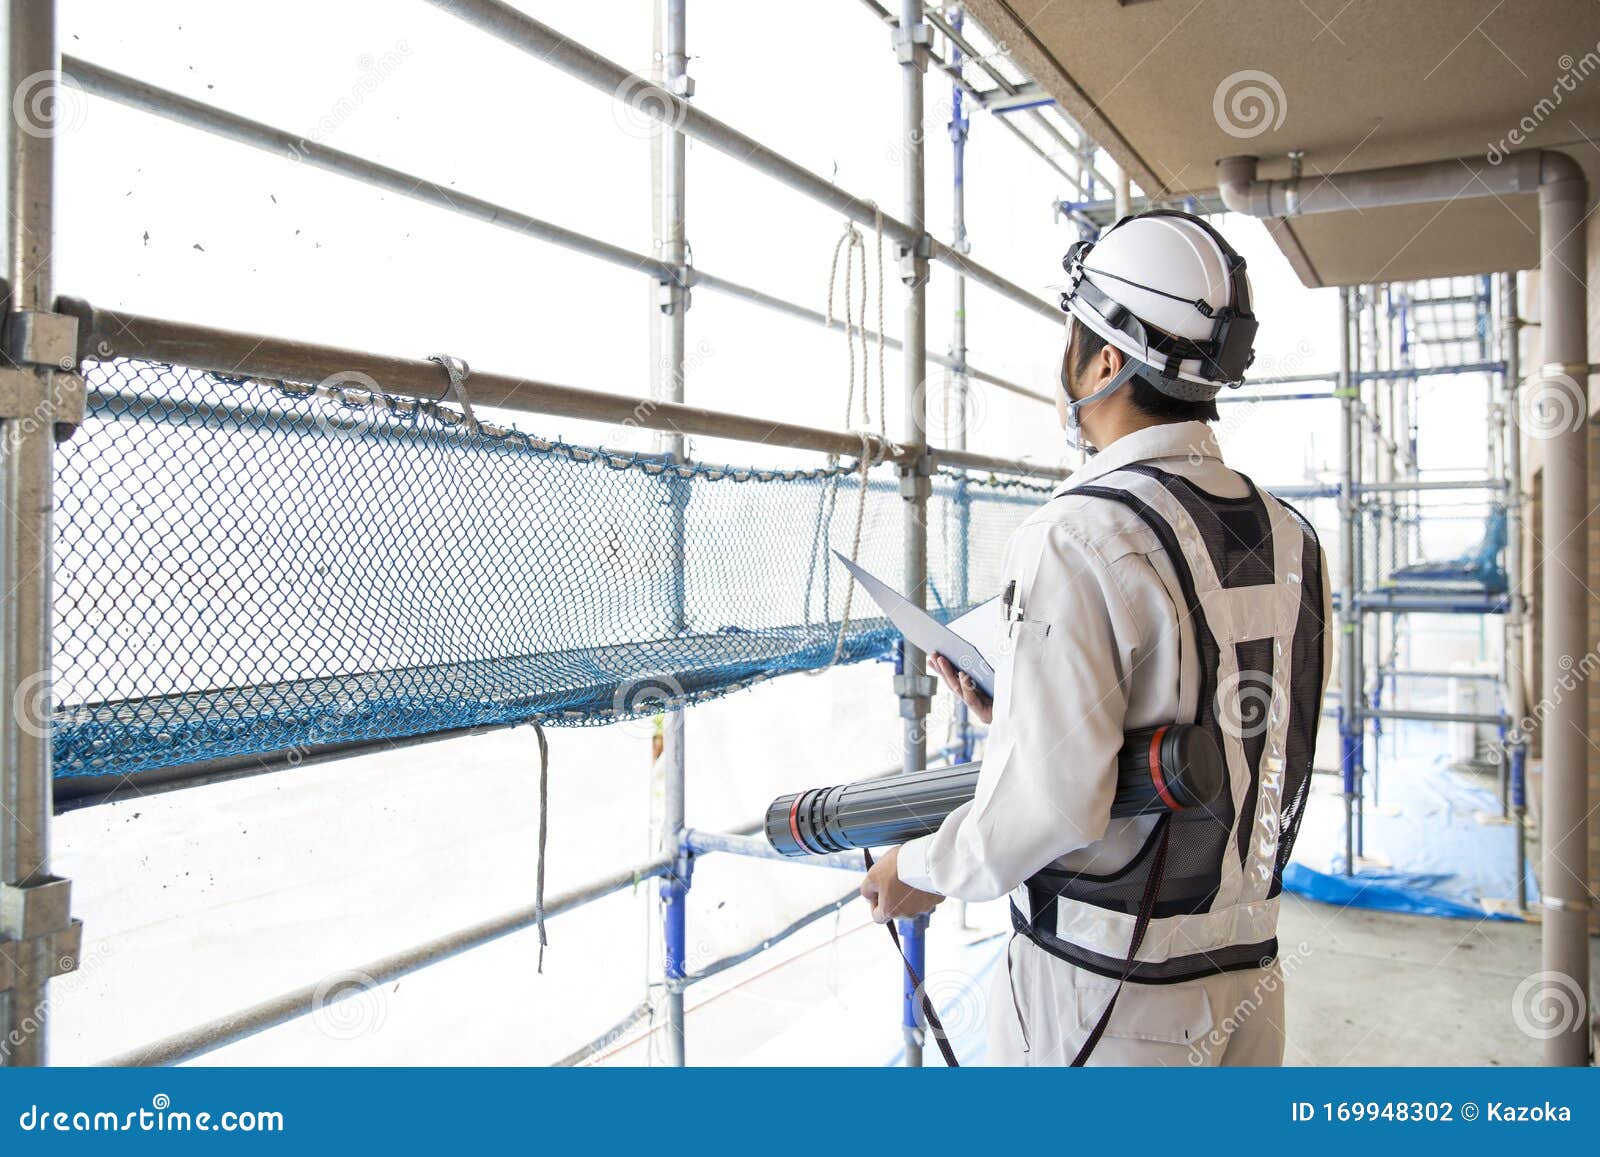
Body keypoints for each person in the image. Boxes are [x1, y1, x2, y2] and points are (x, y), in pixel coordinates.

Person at [860, 210, 1333, 1066]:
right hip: (1247, 980)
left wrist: (921, 870)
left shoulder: (1078, 531)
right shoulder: (1290, 534)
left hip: (1109, 1001)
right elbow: (1218, 722)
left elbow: (1051, 801)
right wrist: (1022, 702)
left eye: (1072, 338)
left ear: (1106, 360)